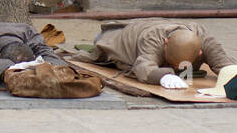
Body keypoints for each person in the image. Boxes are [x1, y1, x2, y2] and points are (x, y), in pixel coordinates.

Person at [76, 19, 234, 88]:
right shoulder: (153, 38)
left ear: (199, 52)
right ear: (165, 43)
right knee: (102, 40)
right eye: (171, 62)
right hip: (114, 38)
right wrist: (163, 76)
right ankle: (111, 27)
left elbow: (225, 65)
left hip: (156, 23)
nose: (178, 69)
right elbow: (143, 67)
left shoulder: (205, 39)